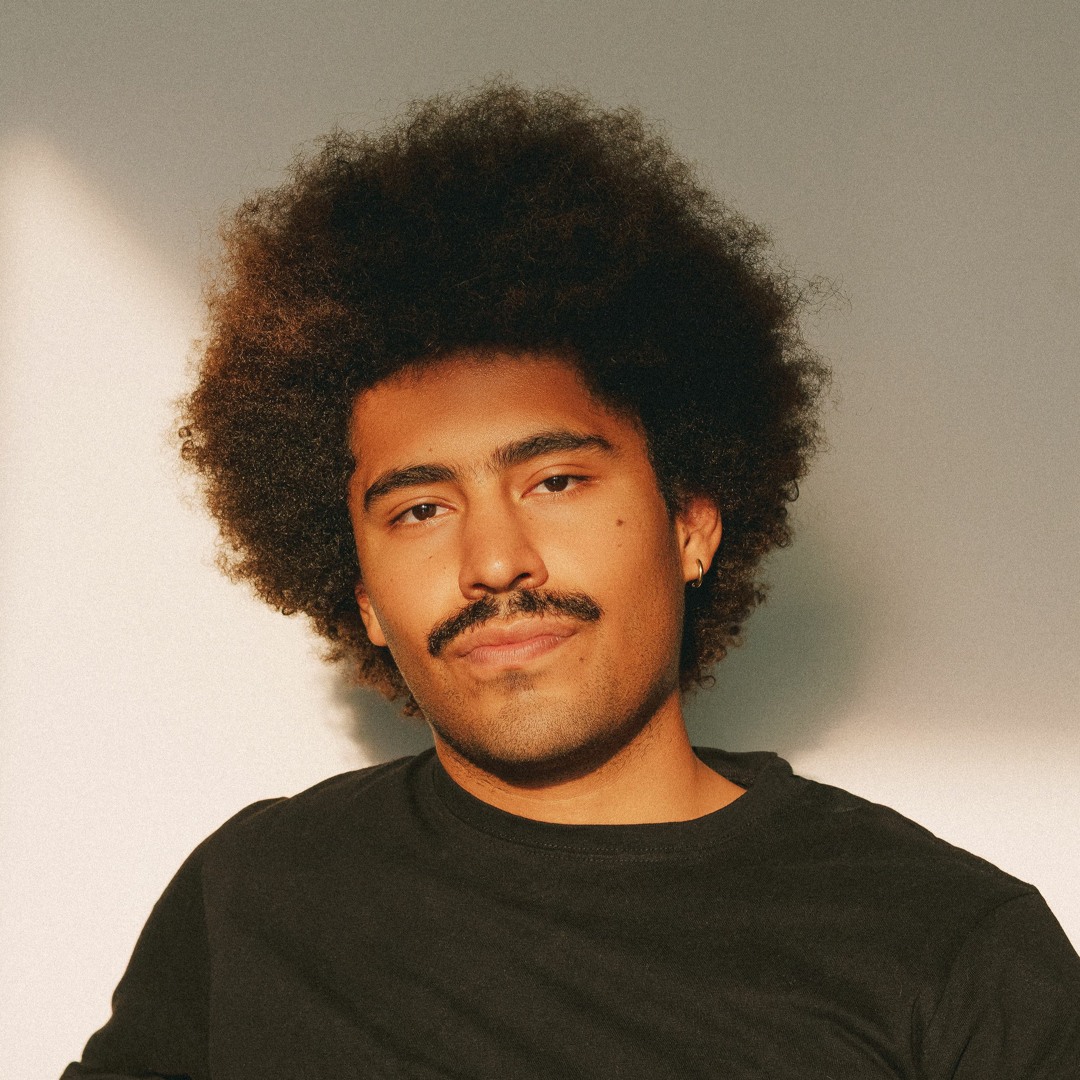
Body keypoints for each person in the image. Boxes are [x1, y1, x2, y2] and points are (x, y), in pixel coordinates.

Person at [64, 82, 1080, 1079]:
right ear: (364, 596)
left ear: (691, 525)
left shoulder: (949, 949)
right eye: (420, 509)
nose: (494, 561)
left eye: (554, 481)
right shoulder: (255, 897)